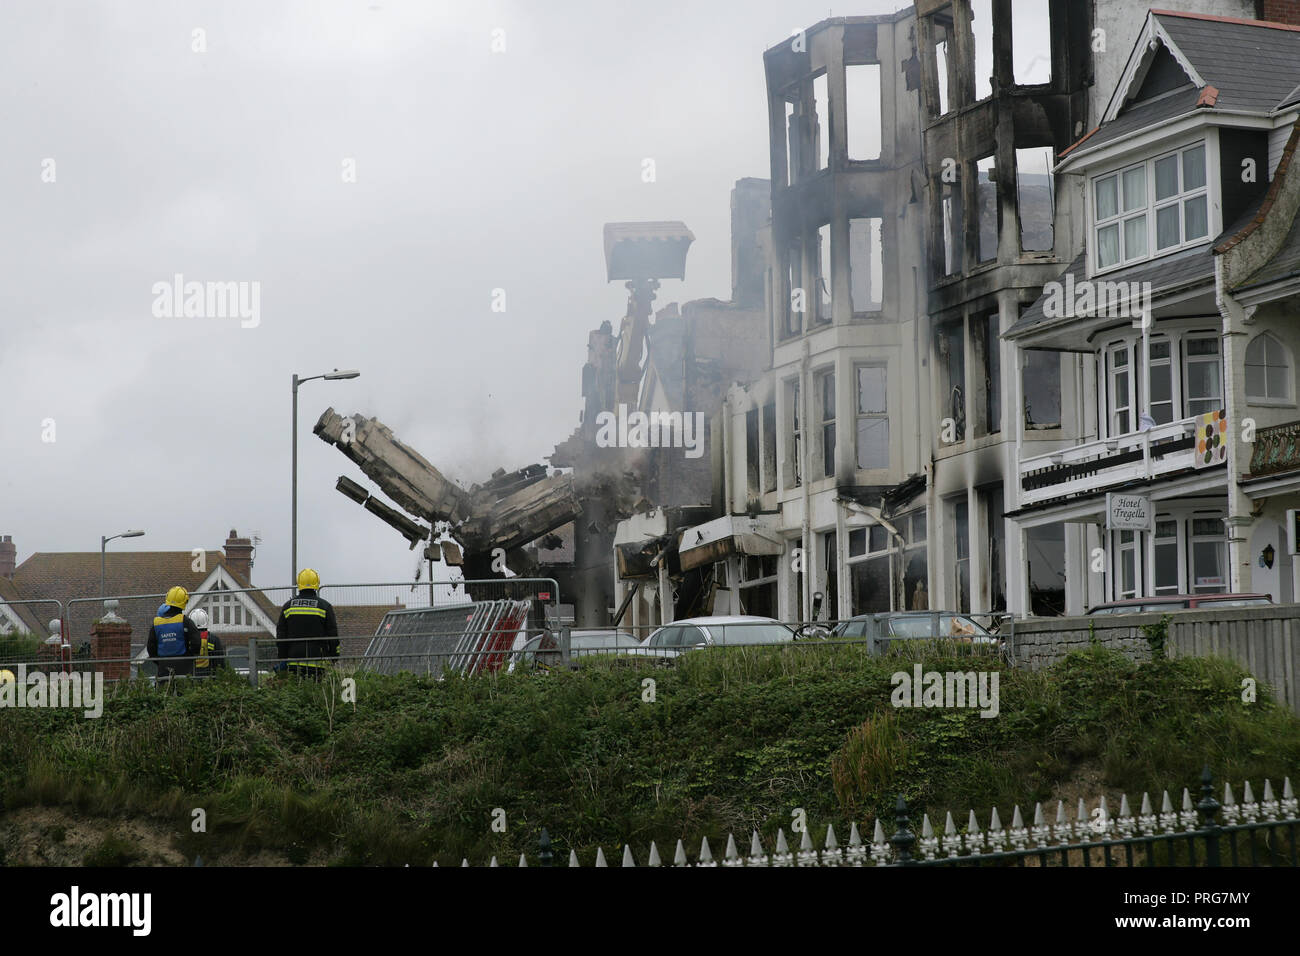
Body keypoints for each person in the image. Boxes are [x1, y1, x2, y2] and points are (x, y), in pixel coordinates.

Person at [276, 568, 340, 679]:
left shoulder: (288, 607)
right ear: (317, 583)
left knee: (295, 692)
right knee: (316, 693)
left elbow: (281, 635)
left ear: (298, 583)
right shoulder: (324, 606)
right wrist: (334, 657)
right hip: (318, 662)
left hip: (293, 661)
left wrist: (282, 657)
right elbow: (333, 635)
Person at [148, 586, 201, 680]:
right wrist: (188, 658)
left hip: (163, 668)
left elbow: (151, 648)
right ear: (185, 601)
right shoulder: (186, 622)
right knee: (184, 693)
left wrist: (160, 662)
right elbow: (196, 644)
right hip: (184, 668)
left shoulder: (156, 623)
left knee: (164, 693)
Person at [189, 608, 227, 677]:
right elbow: (220, 661)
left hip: (192, 676)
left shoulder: (188, 639)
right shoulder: (214, 639)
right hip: (210, 676)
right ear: (206, 620)